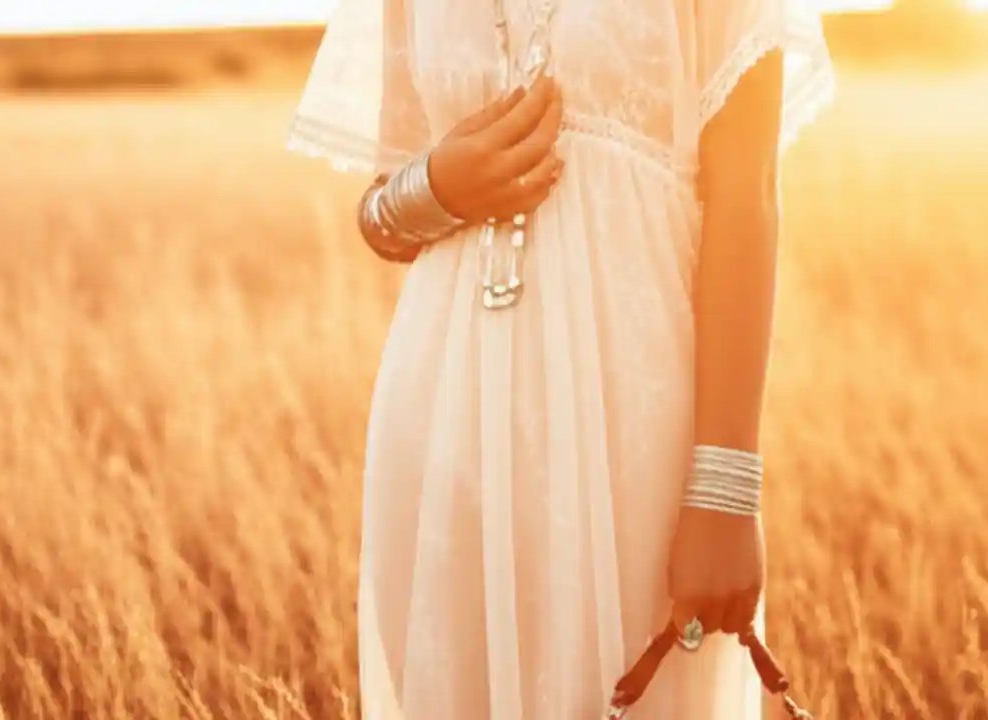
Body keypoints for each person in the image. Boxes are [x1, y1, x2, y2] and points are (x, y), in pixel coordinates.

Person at [287, 0, 834, 716]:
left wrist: (725, 489)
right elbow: (382, 210)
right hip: (445, 422)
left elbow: (747, 194)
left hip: (632, 428)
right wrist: (436, 188)